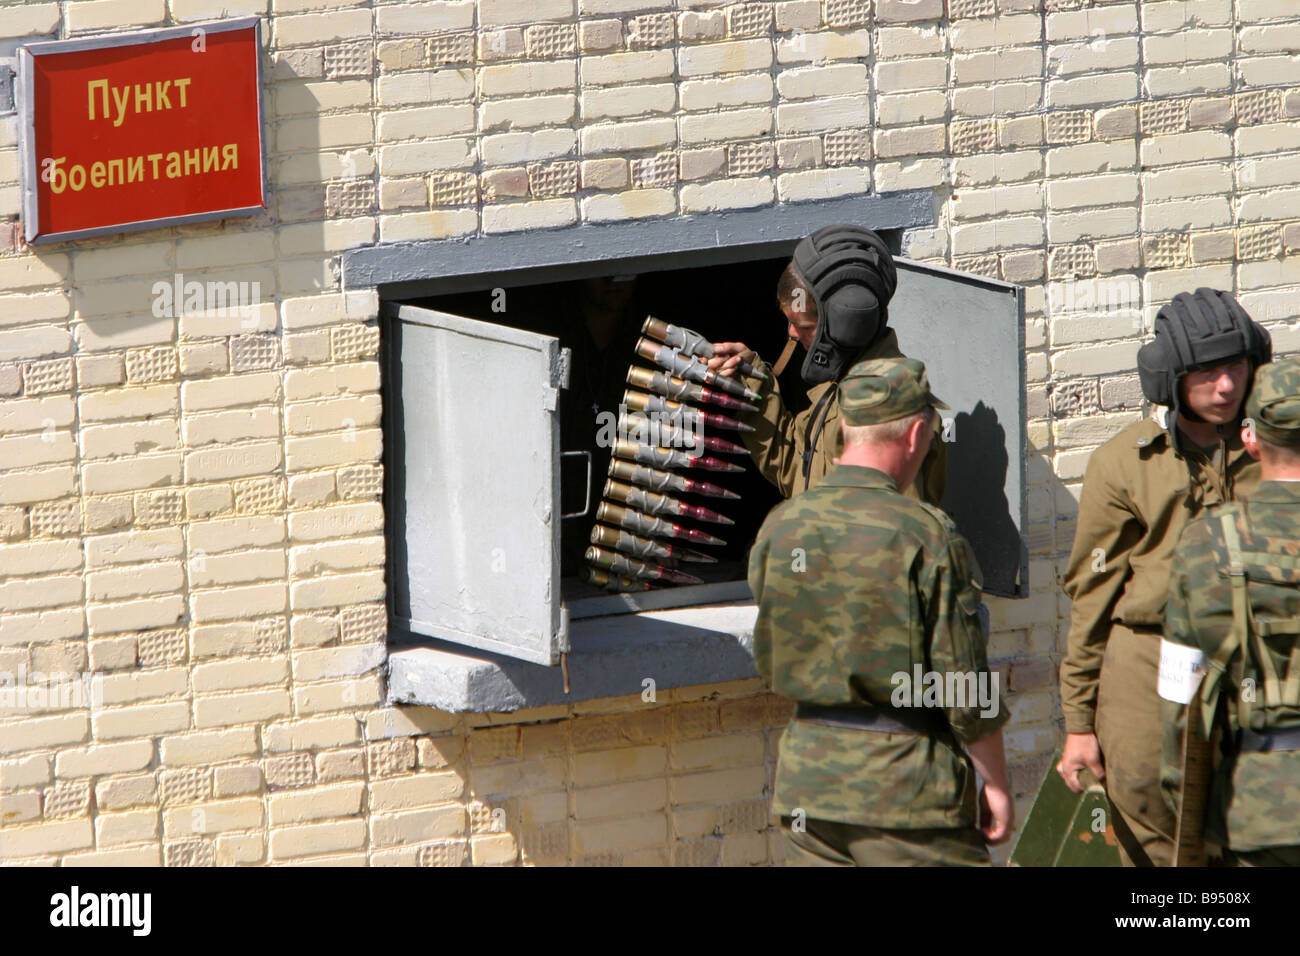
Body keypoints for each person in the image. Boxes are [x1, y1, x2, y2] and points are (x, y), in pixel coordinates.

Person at [748, 356, 1012, 866]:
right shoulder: (926, 533)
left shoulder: (782, 525)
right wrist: (996, 782)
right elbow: (964, 684)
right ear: (917, 435)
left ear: (845, 429)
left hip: (809, 786)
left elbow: (774, 645)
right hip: (907, 792)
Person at [1056, 288, 1271, 867]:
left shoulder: (1279, 453)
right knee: (1159, 848)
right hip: (1149, 670)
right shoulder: (1125, 463)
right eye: (1206, 372)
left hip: (1259, 670)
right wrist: (1078, 723)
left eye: (1235, 366)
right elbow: (1092, 600)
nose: (1226, 386)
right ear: (1170, 377)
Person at [1160, 356, 1300, 867]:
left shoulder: (1205, 544)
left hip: (1254, 807)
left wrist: (1187, 812)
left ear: (1253, 440)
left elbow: (1182, 700)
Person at [709, 225, 946, 504]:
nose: (792, 334)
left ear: (846, 327)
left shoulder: (884, 407)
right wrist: (752, 384)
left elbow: (888, 536)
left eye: (802, 325)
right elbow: (796, 466)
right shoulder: (839, 389)